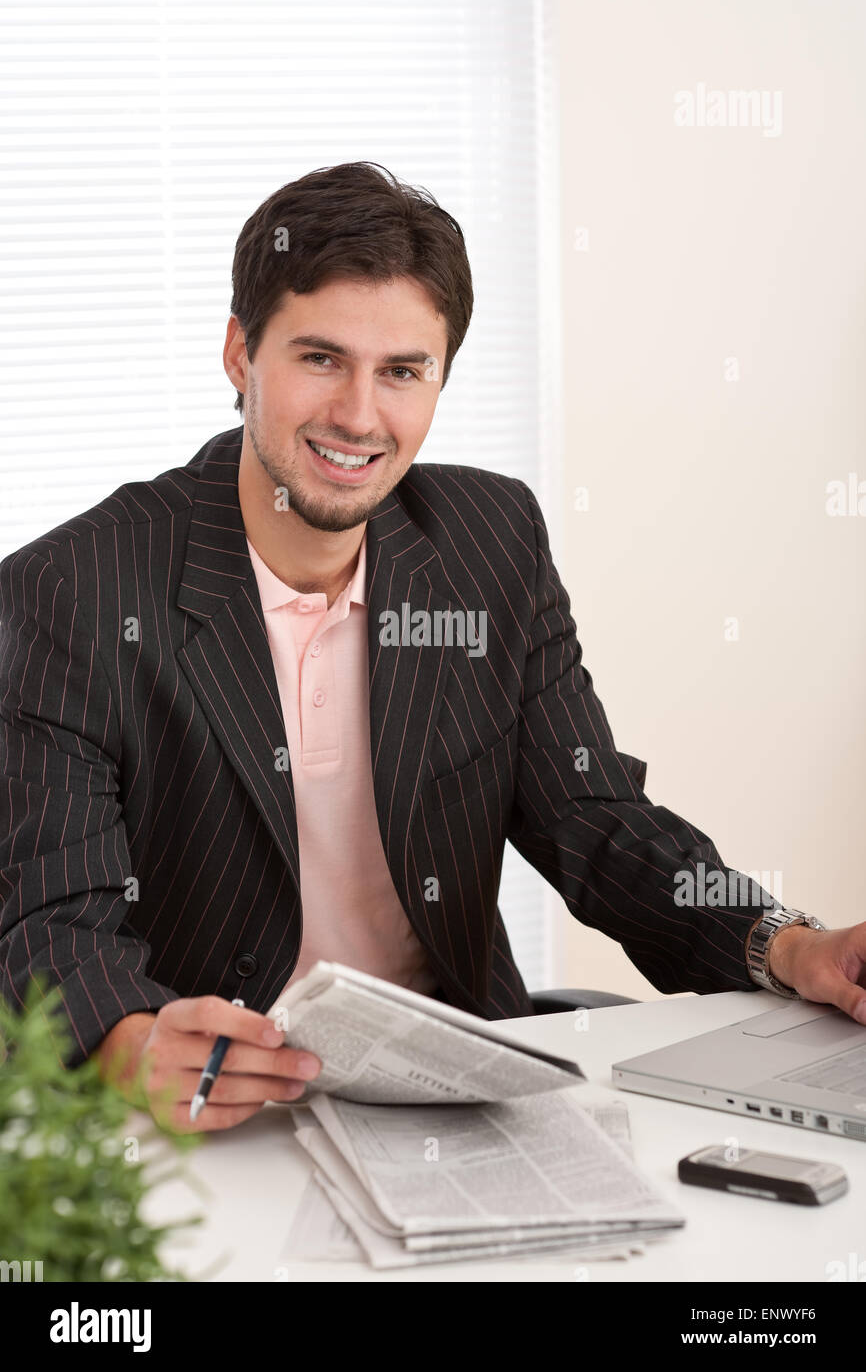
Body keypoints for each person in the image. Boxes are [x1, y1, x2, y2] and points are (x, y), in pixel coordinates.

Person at [1, 161, 864, 1134]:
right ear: (240, 352)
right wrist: (129, 1040)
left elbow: (594, 820)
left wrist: (786, 945)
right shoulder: (67, 594)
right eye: (320, 358)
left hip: (454, 1095)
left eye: (402, 371)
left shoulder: (489, 543)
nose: (359, 416)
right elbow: (51, 922)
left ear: (440, 377)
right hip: (225, 1119)